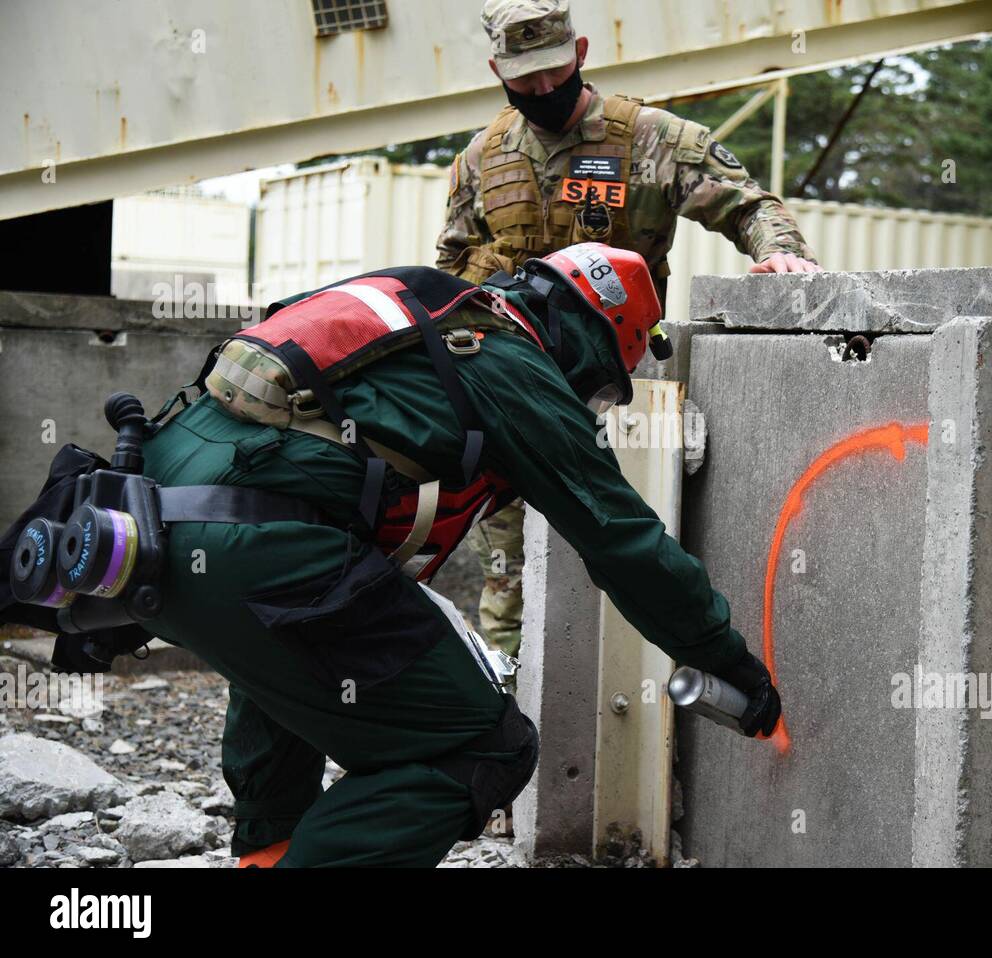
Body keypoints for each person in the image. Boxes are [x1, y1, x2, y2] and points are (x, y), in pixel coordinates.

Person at [2, 243, 781, 867]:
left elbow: (282, 662)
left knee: (298, 650)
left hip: (140, 518)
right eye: (606, 389)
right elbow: (623, 542)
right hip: (247, 536)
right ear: (595, 341)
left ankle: (270, 851)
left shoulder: (422, 321)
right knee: (483, 746)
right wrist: (728, 658)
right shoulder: (516, 365)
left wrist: (269, 821)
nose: (595, 406)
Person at [441, 0, 823, 657]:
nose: (542, 90)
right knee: (507, 571)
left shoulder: (649, 138)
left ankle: (641, 703)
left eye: (554, 72)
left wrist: (779, 254)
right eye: (523, 78)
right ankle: (507, 703)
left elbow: (747, 203)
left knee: (629, 548)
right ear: (496, 70)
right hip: (512, 394)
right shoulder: (482, 159)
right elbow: (450, 273)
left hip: (621, 392)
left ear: (581, 52)